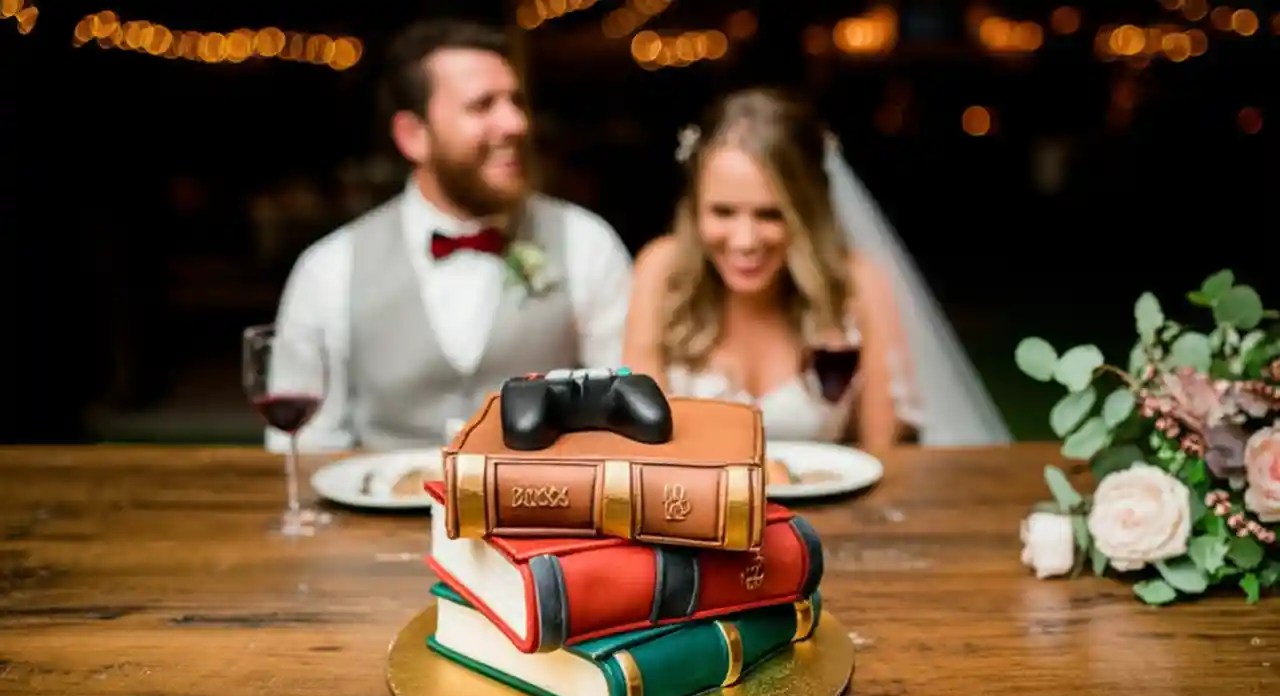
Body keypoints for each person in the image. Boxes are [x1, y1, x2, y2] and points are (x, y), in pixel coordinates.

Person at [267, 19, 633, 452]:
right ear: (414, 136)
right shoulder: (329, 268)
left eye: (516, 101)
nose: (515, 123)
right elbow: (305, 446)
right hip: (375, 511)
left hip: (537, 511)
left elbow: (620, 411)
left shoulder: (587, 243)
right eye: (483, 106)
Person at [623, 88, 1010, 450]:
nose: (744, 241)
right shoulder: (662, 271)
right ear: (695, 208)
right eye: (722, 212)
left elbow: (885, 452)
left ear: (807, 213)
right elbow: (644, 442)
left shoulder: (857, 284)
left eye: (771, 215)